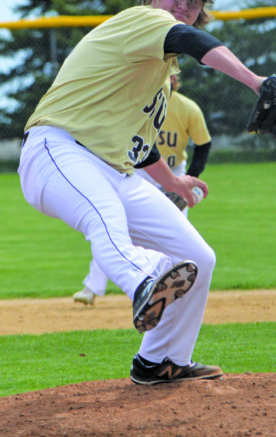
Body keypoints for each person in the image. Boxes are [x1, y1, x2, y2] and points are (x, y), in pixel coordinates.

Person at [18, 0, 276, 386]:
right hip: (56, 150)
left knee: (197, 257)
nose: (185, 6)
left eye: (195, 2)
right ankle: (142, 282)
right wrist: (255, 81)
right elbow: (187, 38)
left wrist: (172, 181)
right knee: (103, 214)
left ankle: (160, 361)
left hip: (112, 165)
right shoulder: (141, 20)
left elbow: (141, 142)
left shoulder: (158, 74)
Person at [73, 73, 211, 305]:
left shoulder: (188, 108)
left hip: (175, 170)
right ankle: (92, 288)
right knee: (115, 226)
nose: (170, 79)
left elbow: (203, 144)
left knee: (178, 234)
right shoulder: (143, 104)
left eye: (173, 75)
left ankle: (177, 290)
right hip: (141, 170)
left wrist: (189, 178)